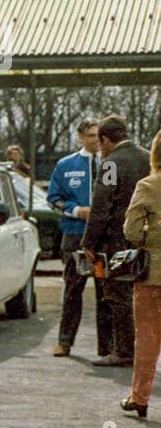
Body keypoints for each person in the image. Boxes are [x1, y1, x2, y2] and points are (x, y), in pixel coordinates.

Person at [83, 115, 151, 367]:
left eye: (101, 143)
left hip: (117, 240)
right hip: (146, 237)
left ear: (106, 139)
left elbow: (101, 206)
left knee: (118, 296)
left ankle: (123, 351)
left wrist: (88, 242)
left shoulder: (111, 164)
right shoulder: (147, 157)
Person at [47, 120, 111, 358]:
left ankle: (107, 346)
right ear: (81, 138)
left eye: (100, 136)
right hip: (75, 234)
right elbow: (53, 198)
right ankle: (64, 342)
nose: (97, 140)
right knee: (73, 290)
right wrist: (75, 210)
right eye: (92, 136)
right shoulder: (66, 165)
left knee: (105, 292)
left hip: (103, 238)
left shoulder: (110, 164)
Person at [120, 131, 161, 418]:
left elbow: (131, 231)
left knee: (147, 337)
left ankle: (140, 398)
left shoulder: (148, 185)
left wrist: (149, 234)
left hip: (153, 275)